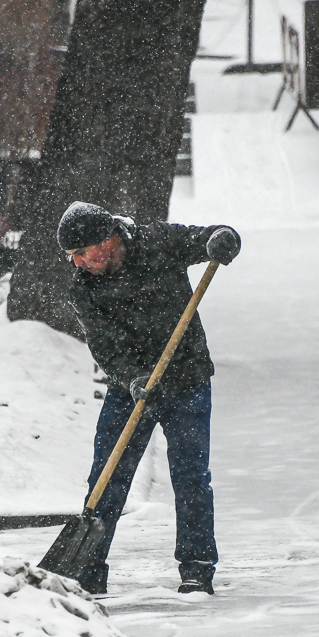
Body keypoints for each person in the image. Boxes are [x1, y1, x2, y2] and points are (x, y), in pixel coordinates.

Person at [58, 200, 241, 595]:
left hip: (187, 378)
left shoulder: (156, 241)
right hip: (131, 390)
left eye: (81, 254)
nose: (77, 264)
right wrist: (133, 378)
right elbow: (105, 346)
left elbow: (205, 237)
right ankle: (87, 569)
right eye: (72, 257)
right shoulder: (83, 288)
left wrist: (221, 239)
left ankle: (196, 567)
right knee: (107, 478)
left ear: (105, 242)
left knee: (191, 477)